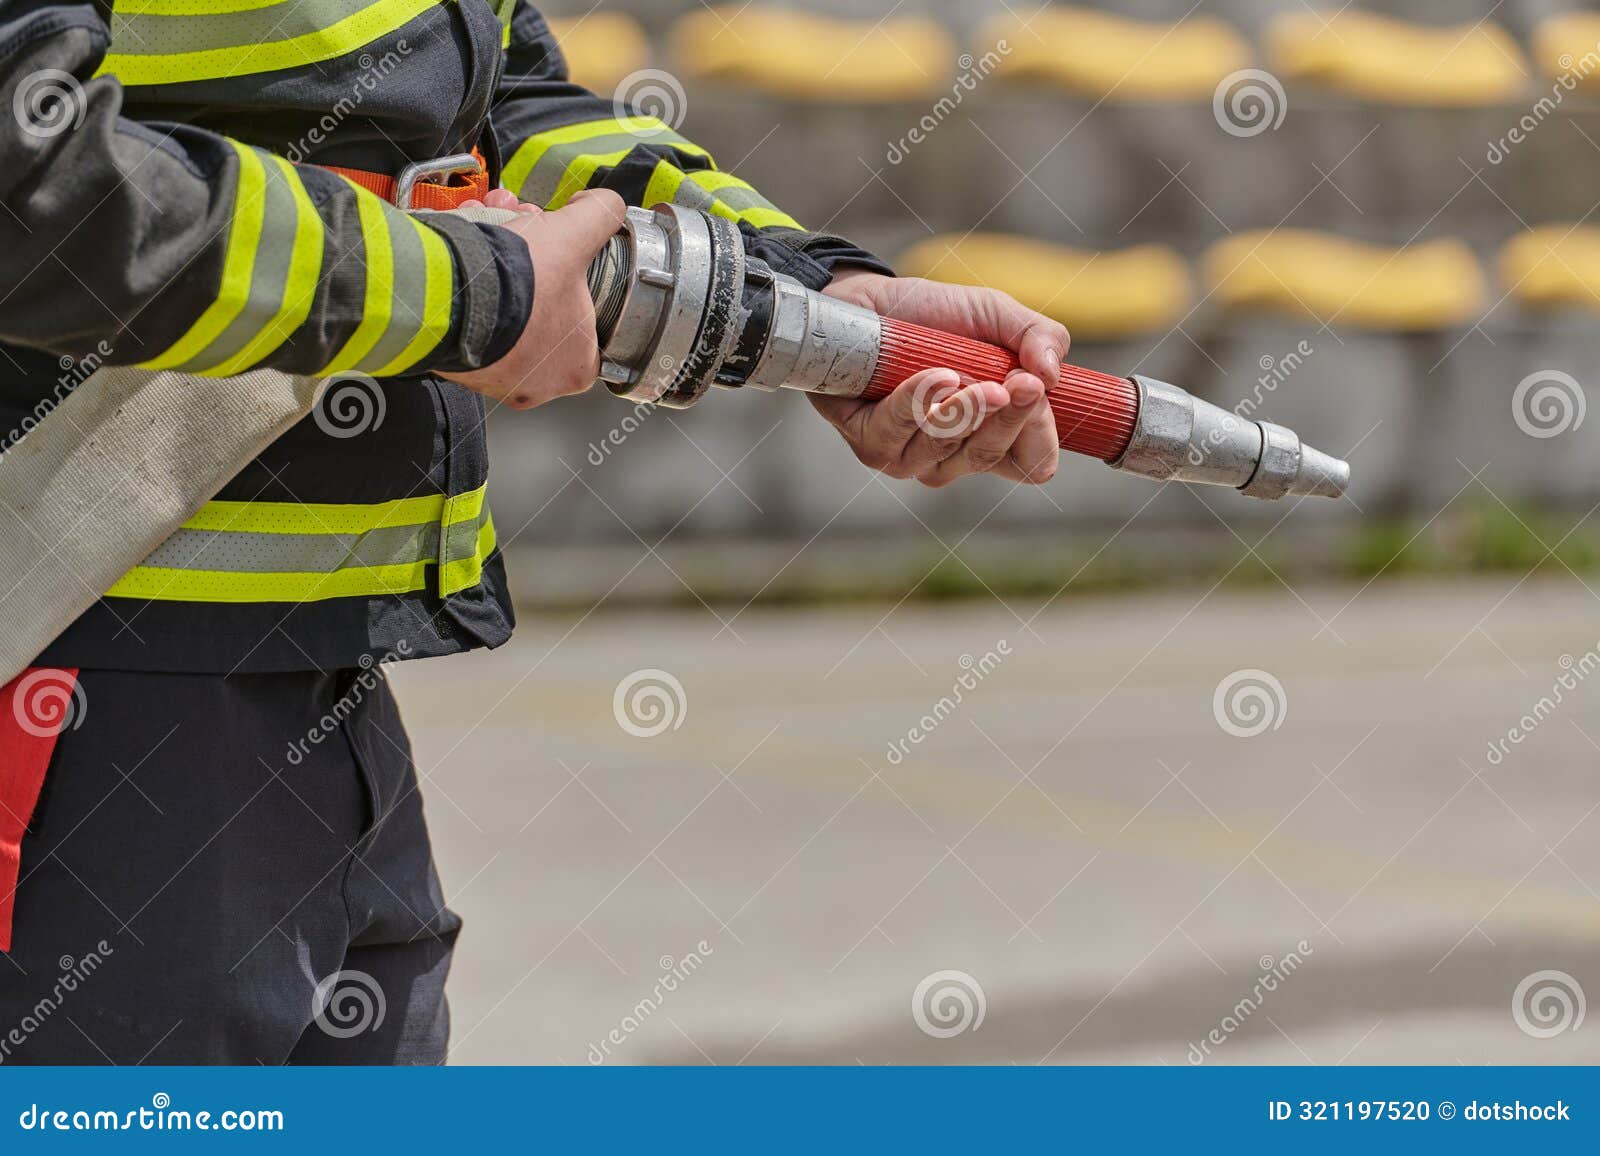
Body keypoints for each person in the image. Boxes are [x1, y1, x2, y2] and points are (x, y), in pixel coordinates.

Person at [0, 0, 1067, 1063]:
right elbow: (28, 177)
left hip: (318, 682)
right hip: (80, 662)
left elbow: (502, 105)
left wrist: (822, 305)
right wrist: (472, 294)